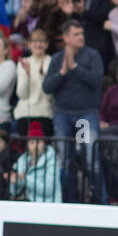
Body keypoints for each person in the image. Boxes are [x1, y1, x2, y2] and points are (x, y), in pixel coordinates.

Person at [42, 20, 105, 203]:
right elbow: (47, 87)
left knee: (90, 158)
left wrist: (75, 68)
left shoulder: (92, 56)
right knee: (65, 161)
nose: (81, 37)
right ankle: (67, 202)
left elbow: (96, 80)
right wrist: (62, 72)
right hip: (63, 114)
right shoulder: (56, 59)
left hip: (85, 114)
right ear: (66, 37)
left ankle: (99, 201)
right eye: (76, 34)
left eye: (82, 34)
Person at [11, 122, 61, 203]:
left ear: (44, 143)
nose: (35, 145)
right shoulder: (22, 160)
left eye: (39, 142)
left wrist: (25, 178)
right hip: (24, 203)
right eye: (32, 142)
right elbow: (13, 192)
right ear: (27, 145)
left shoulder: (51, 160)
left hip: (46, 205)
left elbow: (48, 190)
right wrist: (14, 181)